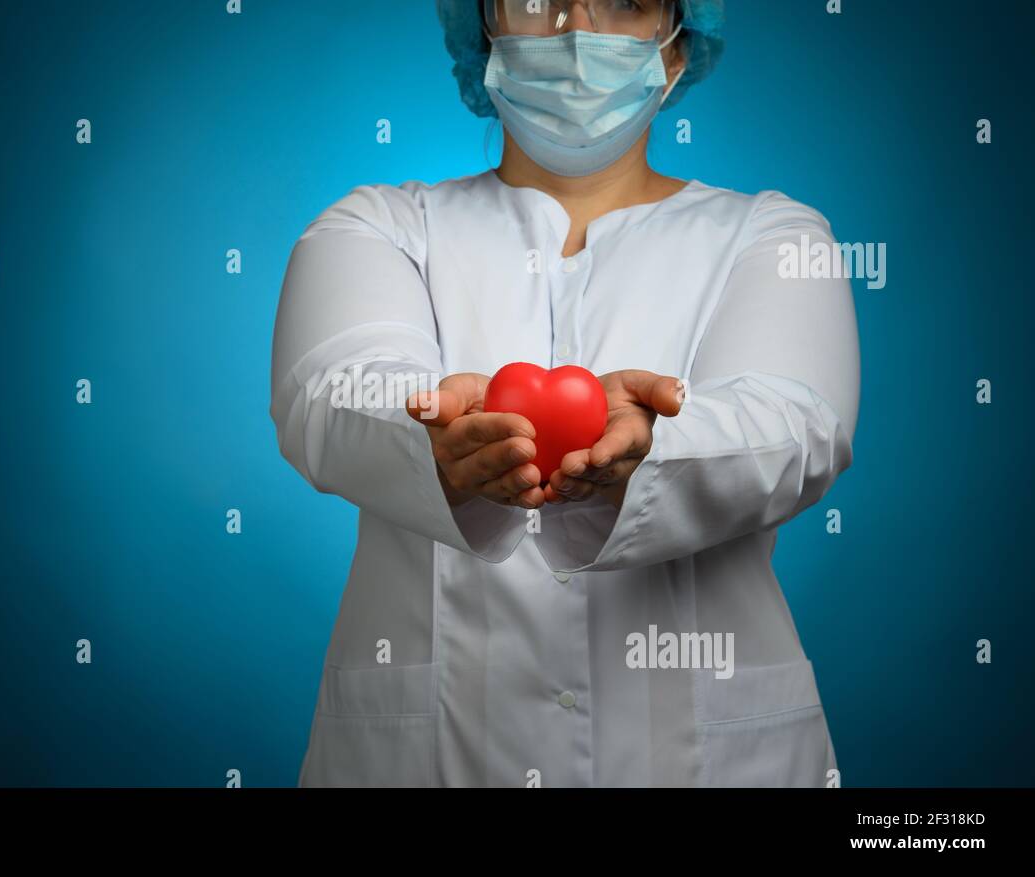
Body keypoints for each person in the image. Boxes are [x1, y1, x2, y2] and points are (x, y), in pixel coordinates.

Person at [270, 0, 860, 787]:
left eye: (624, 3)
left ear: (676, 48)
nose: (577, 33)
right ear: (484, 32)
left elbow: (795, 425)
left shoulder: (774, 236)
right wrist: (436, 442)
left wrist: (651, 446)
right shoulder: (377, 226)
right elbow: (329, 392)